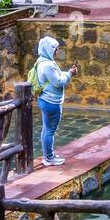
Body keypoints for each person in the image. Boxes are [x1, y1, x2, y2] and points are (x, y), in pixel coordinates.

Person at [31, 35, 76, 166]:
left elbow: (55, 76)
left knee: (46, 129)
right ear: (48, 49)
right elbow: (58, 82)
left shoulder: (41, 61)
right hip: (51, 102)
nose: (57, 52)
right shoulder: (48, 65)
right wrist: (70, 74)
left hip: (44, 100)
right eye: (55, 49)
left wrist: (67, 72)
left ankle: (48, 155)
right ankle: (49, 158)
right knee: (50, 130)